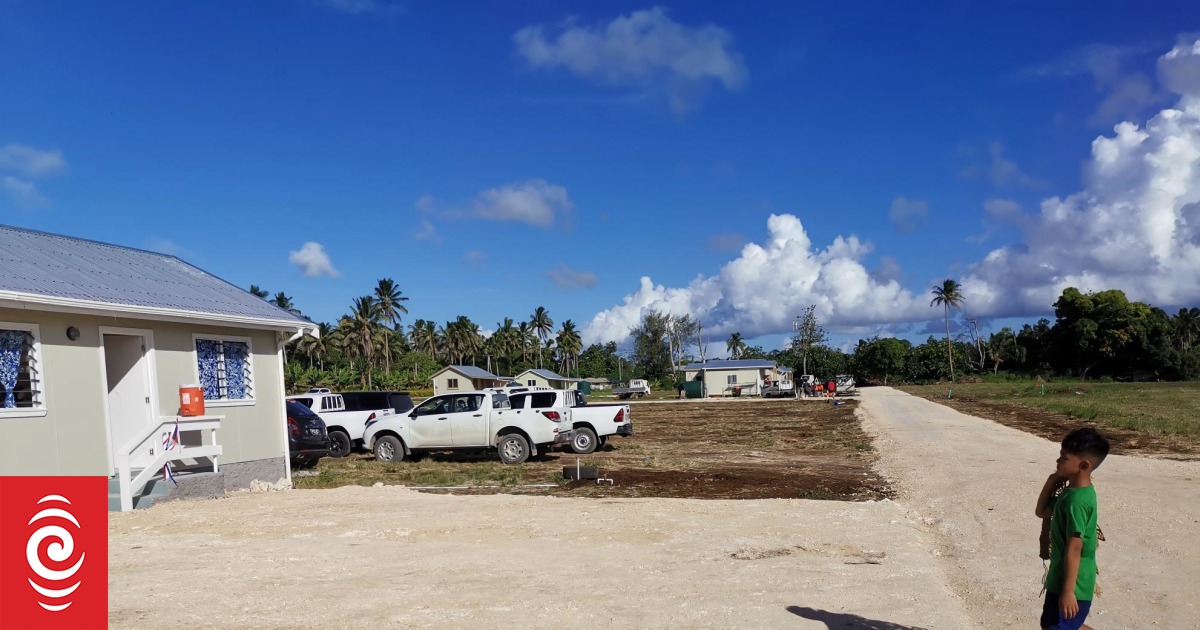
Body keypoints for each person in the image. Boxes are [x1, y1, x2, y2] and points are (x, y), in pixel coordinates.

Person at [1035, 427, 1109, 630]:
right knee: (1050, 625)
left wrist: (1068, 592)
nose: (1058, 462)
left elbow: (1075, 548)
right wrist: (1052, 480)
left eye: (1063, 458)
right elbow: (1041, 512)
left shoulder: (1077, 501)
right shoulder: (1069, 494)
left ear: (1083, 465)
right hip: (1060, 577)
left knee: (1058, 628)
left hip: (1074, 584)